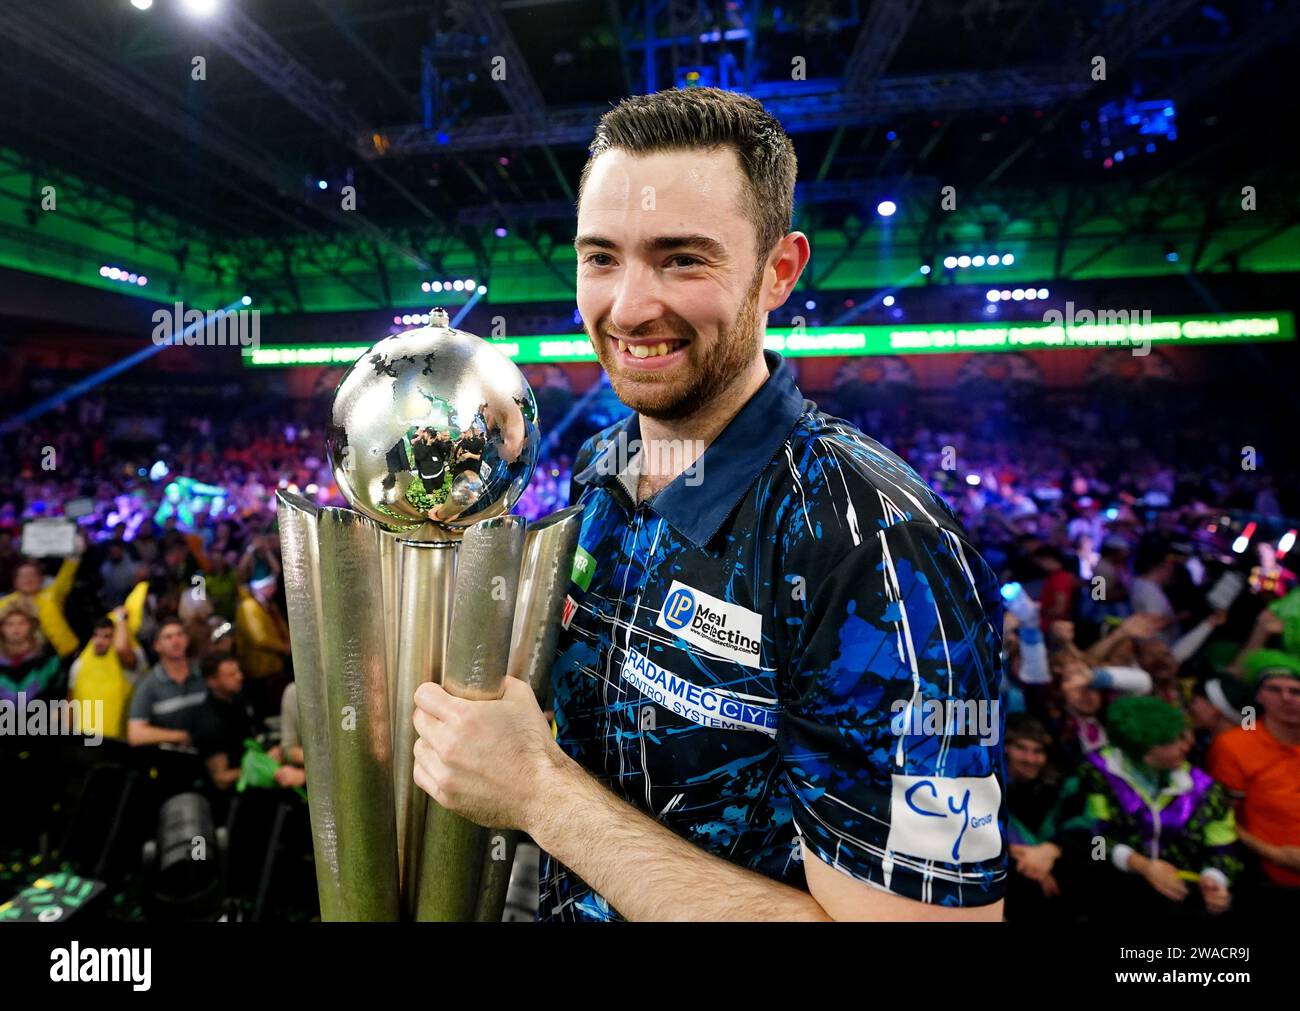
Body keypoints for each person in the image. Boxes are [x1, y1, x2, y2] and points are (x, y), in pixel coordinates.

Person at [411, 87, 1007, 921]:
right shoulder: (603, 464)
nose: (629, 307)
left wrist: (541, 795)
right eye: (602, 257)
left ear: (779, 272)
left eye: (683, 258)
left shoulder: (879, 549)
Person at [1060, 695, 1240, 920]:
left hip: (1179, 900)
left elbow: (1222, 847)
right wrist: (1142, 865)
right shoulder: (1096, 772)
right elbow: (1093, 840)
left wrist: (1215, 879)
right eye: (1173, 741)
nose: (1187, 744)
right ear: (1144, 751)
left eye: (1183, 735)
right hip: (1110, 895)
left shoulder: (1203, 788)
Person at [1207, 649, 1300, 913]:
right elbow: (1221, 819)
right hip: (1269, 881)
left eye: (1296, 691)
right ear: (1259, 695)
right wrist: (1277, 855)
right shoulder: (1234, 745)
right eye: (1275, 689)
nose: (1287, 698)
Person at [126, 618, 207, 747]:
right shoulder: (149, 684)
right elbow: (135, 734)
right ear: (157, 645)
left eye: (180, 634)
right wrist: (181, 736)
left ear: (187, 640)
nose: (175, 641)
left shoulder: (202, 674)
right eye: (168, 637)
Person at [67, 610, 145, 742]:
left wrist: (120, 619)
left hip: (118, 744)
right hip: (83, 742)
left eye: (107, 636)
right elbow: (70, 702)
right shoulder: (79, 664)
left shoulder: (129, 662)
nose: (99, 641)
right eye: (96, 635)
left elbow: (121, 648)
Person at [194, 653, 257, 791]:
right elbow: (221, 778)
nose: (239, 677)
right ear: (212, 681)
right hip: (234, 795)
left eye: (238, 671)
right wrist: (260, 766)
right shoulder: (210, 722)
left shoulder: (239, 698)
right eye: (230, 675)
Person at [0, 554, 81, 658]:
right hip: (21, 659)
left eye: (32, 575)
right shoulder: (3, 604)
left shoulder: (52, 595)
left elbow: (66, 577)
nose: (28, 579)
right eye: (23, 576)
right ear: (15, 581)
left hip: (64, 654)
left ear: (41, 579)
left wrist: (74, 556)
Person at [0, 598, 63, 709]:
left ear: (31, 625)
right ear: (2, 628)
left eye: (21, 623)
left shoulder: (46, 656)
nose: (16, 629)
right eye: (9, 624)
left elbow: (59, 688)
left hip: (41, 720)